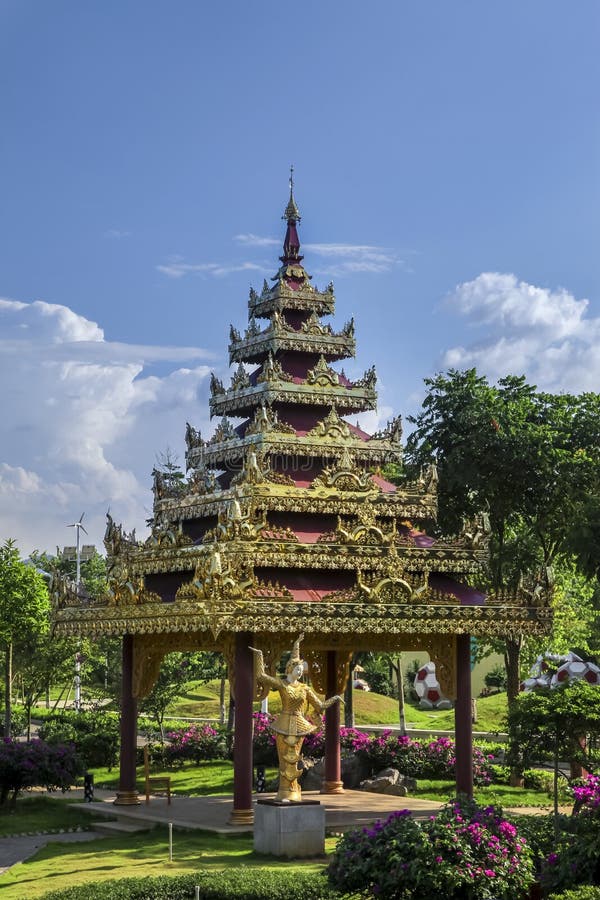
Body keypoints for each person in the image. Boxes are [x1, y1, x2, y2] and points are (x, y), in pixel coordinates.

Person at [249, 634, 343, 802]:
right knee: (284, 760)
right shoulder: (282, 684)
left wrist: (334, 698)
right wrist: (259, 656)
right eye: (297, 668)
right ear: (289, 668)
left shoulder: (304, 688)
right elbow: (261, 676)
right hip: (283, 724)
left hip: (299, 724)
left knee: (295, 759)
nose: (299, 672)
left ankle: (294, 791)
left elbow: (319, 706)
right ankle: (284, 792)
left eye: (301, 669)